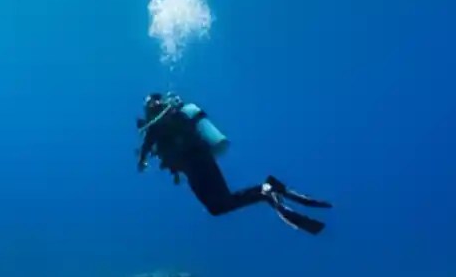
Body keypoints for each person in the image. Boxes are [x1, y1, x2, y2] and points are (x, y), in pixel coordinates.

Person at [136, 92, 331, 234]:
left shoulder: (157, 126)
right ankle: (267, 189)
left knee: (218, 206)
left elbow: (146, 147)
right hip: (201, 162)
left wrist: (142, 162)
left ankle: (266, 191)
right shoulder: (172, 118)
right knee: (218, 206)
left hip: (196, 165)